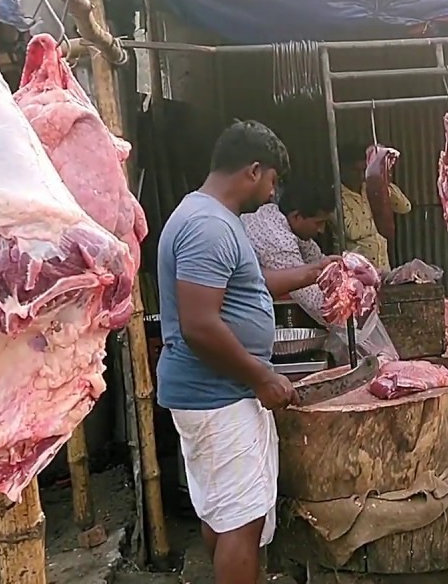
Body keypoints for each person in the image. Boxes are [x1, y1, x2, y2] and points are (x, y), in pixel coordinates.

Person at [154, 121, 333, 584]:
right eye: (272, 180)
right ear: (253, 170)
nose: (274, 194)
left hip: (219, 395)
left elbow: (251, 286)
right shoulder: (207, 225)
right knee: (241, 521)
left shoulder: (219, 220)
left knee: (225, 512)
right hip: (217, 396)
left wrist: (313, 271)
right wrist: (260, 376)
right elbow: (199, 325)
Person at [241, 179, 400, 363]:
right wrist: (357, 320)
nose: (321, 230)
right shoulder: (277, 240)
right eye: (319, 222)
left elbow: (317, 260)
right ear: (297, 216)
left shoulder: (283, 219)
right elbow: (315, 303)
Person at [338, 143, 412, 271]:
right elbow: (352, 230)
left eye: (364, 171)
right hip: (357, 272)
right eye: (355, 171)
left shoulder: (371, 189)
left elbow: (405, 207)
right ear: (343, 169)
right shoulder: (337, 196)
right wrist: (380, 223)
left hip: (382, 267)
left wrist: (383, 182)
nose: (361, 176)